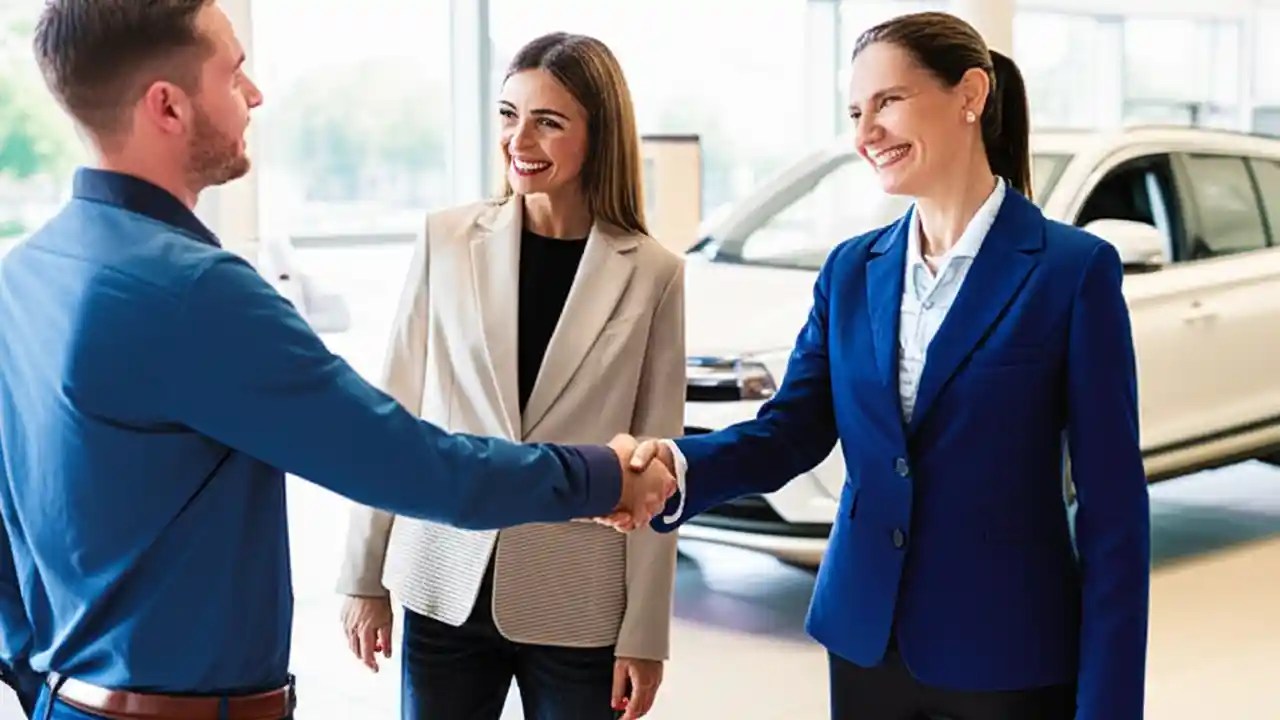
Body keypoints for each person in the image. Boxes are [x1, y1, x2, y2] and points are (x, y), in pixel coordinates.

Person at [0, 3, 674, 720]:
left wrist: (38, 682)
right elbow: (407, 460)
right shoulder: (200, 292)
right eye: (233, 73)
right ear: (167, 106)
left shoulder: (26, 272)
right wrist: (604, 476)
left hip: (67, 700)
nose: (255, 93)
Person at [623, 11, 1151, 720]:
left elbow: (1115, 513)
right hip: (866, 640)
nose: (865, 133)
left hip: (1008, 652)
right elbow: (791, 432)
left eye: (888, 102)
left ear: (970, 95)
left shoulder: (1072, 271)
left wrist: (1111, 707)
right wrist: (677, 467)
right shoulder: (851, 271)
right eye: (855, 112)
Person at [337, 32, 683, 720]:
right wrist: (362, 574)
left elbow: (658, 464)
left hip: (578, 601)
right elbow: (391, 412)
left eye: (548, 121)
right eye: (508, 114)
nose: (518, 139)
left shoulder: (652, 273)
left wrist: (645, 635)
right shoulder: (445, 240)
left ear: (599, 136)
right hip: (442, 580)